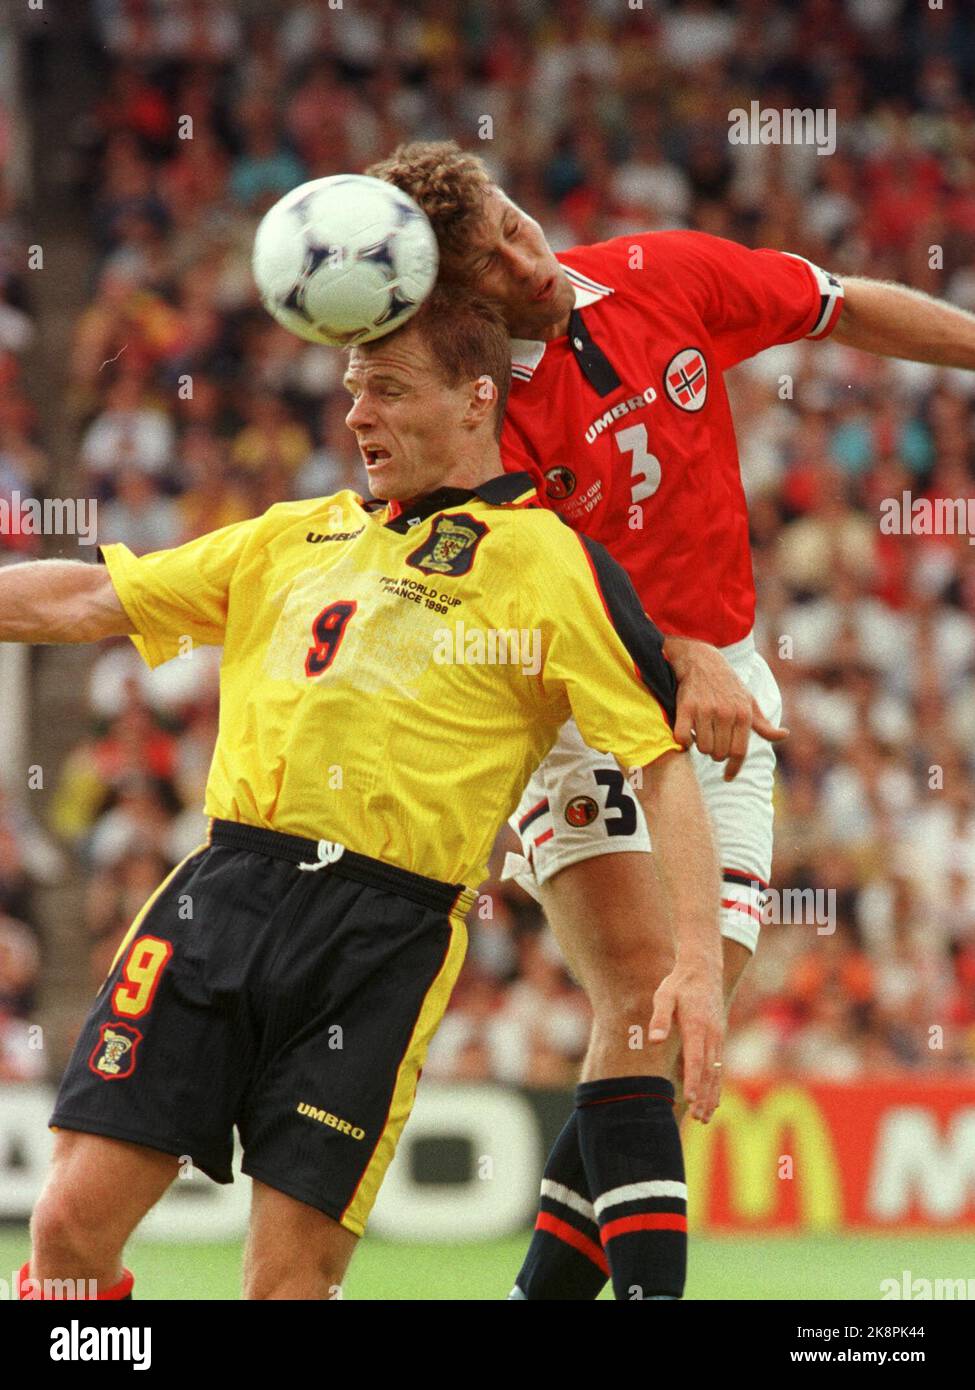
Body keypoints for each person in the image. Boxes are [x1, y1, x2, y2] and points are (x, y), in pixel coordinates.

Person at [9, 289, 724, 1302]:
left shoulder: (548, 562)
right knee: (68, 1224)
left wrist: (694, 960)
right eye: (351, 390)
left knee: (288, 1282)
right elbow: (88, 597)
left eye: (387, 389)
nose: (356, 415)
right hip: (224, 891)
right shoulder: (289, 534)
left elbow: (659, 760)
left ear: (479, 400)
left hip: (381, 938)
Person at [369, 140, 975, 1300]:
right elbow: (549, 594)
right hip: (571, 702)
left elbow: (841, 306)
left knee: (673, 1022)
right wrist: (676, 654)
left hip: (726, 678)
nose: (521, 252)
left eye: (509, 216)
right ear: (453, 301)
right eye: (485, 259)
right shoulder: (481, 418)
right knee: (648, 986)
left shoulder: (660, 272)